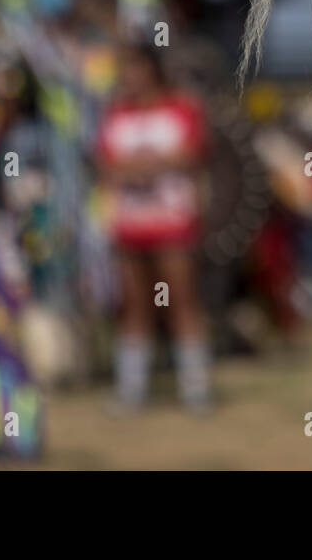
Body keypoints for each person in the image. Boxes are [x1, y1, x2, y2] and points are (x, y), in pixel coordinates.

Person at [96, 44, 209, 411]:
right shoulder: (116, 114)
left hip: (172, 224)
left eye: (136, 69)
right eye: (125, 70)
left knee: (180, 302)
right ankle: (132, 391)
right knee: (134, 305)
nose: (130, 77)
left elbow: (193, 153)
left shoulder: (180, 108)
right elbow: (107, 164)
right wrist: (144, 166)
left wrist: (149, 164)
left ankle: (195, 390)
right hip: (131, 224)